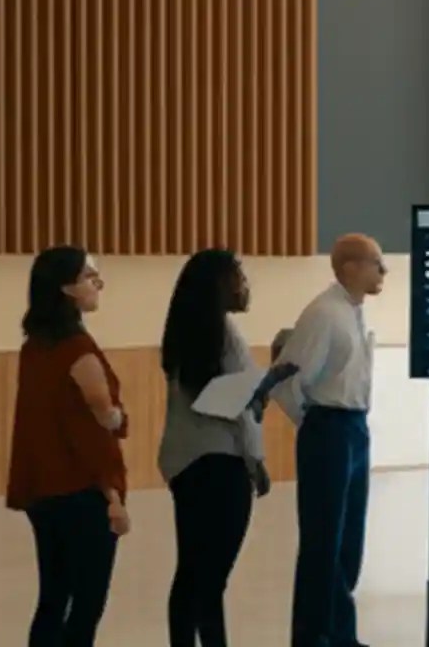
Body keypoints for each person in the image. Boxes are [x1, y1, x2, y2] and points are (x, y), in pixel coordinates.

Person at [158, 249, 286, 647]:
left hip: (184, 461)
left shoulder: (184, 331)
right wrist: (256, 459)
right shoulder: (224, 333)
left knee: (191, 573)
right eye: (238, 277)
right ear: (219, 285)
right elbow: (234, 408)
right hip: (222, 462)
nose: (245, 285)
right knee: (212, 580)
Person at [6, 246, 130, 647]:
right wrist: (112, 495)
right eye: (89, 277)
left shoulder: (35, 347)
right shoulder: (78, 350)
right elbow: (97, 425)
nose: (98, 284)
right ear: (67, 289)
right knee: (86, 604)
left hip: (44, 488)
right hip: (82, 490)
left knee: (53, 598)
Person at [271, 234, 385, 647]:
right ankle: (314, 636)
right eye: (376, 263)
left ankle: (339, 634)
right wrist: (312, 423)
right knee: (324, 540)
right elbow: (286, 379)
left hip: (354, 428)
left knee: (349, 541)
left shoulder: (352, 312)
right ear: (350, 267)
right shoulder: (323, 313)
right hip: (329, 429)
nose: (383, 271)